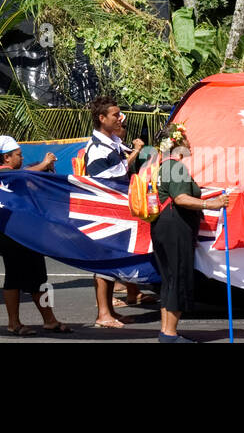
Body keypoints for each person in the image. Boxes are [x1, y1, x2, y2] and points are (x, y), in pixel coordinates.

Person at [149, 124, 230, 342]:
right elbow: (180, 198)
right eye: (186, 139)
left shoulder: (161, 166)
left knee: (170, 278)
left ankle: (167, 332)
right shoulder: (175, 167)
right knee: (178, 276)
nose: (190, 143)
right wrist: (212, 204)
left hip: (162, 226)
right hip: (175, 226)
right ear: (177, 143)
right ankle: (170, 333)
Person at [0, 135, 69, 336]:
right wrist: (43, 164)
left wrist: (45, 170)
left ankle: (49, 319)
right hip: (10, 233)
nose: (21, 158)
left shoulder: (16, 173)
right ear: (6, 158)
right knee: (14, 276)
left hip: (26, 231)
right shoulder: (1, 173)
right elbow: (22, 177)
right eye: (18, 155)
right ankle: (14, 323)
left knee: (39, 277)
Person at [83, 96, 146, 327]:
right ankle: (103, 315)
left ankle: (110, 310)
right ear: (102, 118)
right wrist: (136, 152)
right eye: (115, 115)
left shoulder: (112, 142)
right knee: (104, 262)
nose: (120, 118)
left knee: (113, 261)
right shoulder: (98, 148)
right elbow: (113, 177)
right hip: (105, 210)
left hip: (118, 210)